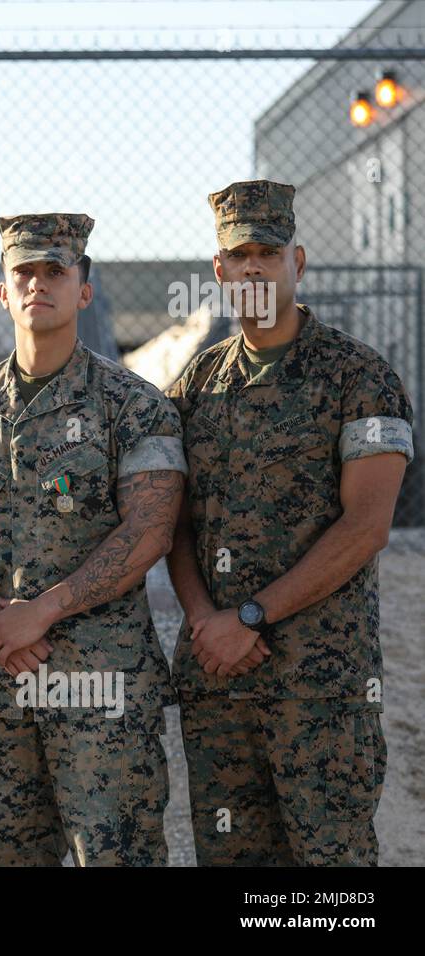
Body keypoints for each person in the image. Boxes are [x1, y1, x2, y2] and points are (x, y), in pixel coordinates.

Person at [165, 180, 413, 866]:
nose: (252, 268)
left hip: (320, 683)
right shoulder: (196, 385)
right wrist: (202, 620)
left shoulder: (358, 376)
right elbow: (175, 525)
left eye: (266, 253)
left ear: (296, 262)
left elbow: (366, 527)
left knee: (331, 864)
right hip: (219, 678)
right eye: (237, 254)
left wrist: (248, 616)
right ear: (218, 271)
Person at [0, 214, 186, 866]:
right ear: (3, 292)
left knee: (118, 856)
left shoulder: (135, 405)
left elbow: (150, 529)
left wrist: (42, 612)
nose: (38, 283)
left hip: (100, 686)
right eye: (24, 272)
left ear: (84, 290)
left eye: (55, 271)